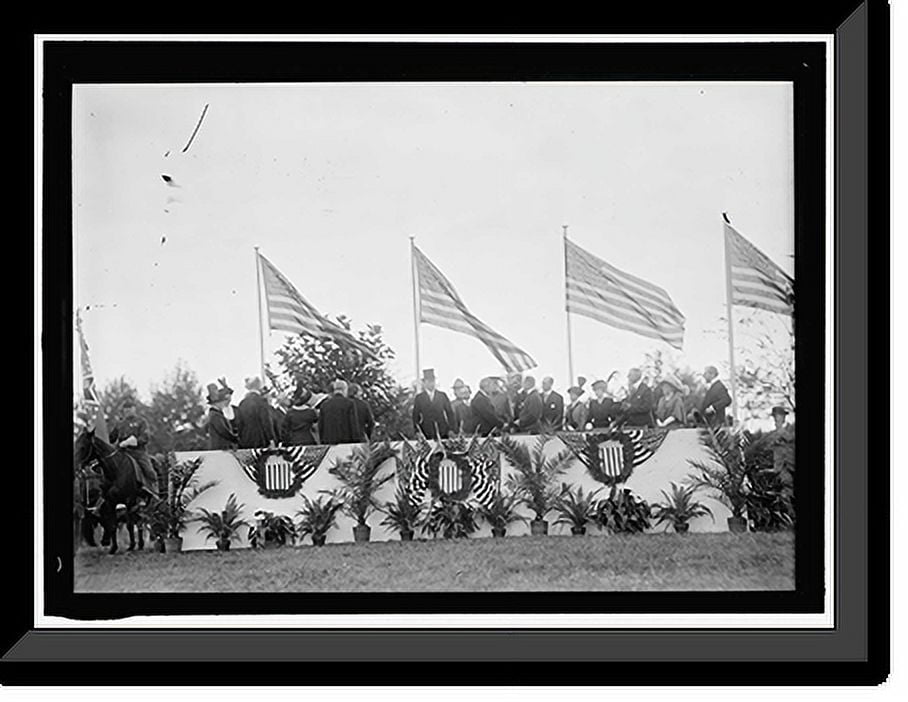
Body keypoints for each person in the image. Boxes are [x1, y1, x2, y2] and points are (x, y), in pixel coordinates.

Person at [108, 397, 158, 500]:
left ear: (134, 409)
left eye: (130, 408)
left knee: (150, 472)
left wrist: (132, 442)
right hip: (122, 452)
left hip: (138, 452)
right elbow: (111, 439)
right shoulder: (120, 423)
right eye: (126, 408)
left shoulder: (141, 422)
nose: (128, 410)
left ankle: (154, 492)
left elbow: (145, 437)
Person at [235, 376, 279, 448]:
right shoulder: (261, 402)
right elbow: (266, 422)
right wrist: (271, 439)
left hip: (246, 440)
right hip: (261, 440)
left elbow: (239, 424)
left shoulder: (242, 403)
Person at [412, 369, 456, 439]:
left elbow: (450, 413)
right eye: (429, 381)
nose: (431, 383)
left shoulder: (442, 396)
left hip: (443, 431)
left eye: (433, 381)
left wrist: (451, 429)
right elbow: (415, 416)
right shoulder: (419, 398)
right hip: (426, 432)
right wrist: (417, 431)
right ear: (424, 382)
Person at [318, 379, 357, 445]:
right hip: (346, 441)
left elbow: (321, 425)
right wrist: (356, 441)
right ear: (345, 389)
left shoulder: (324, 405)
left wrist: (322, 441)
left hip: (328, 441)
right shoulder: (350, 403)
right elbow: (353, 424)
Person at [206, 383, 238, 450]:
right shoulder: (215, 415)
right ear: (217, 403)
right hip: (220, 449)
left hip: (221, 449)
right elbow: (223, 431)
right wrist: (236, 438)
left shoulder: (216, 414)